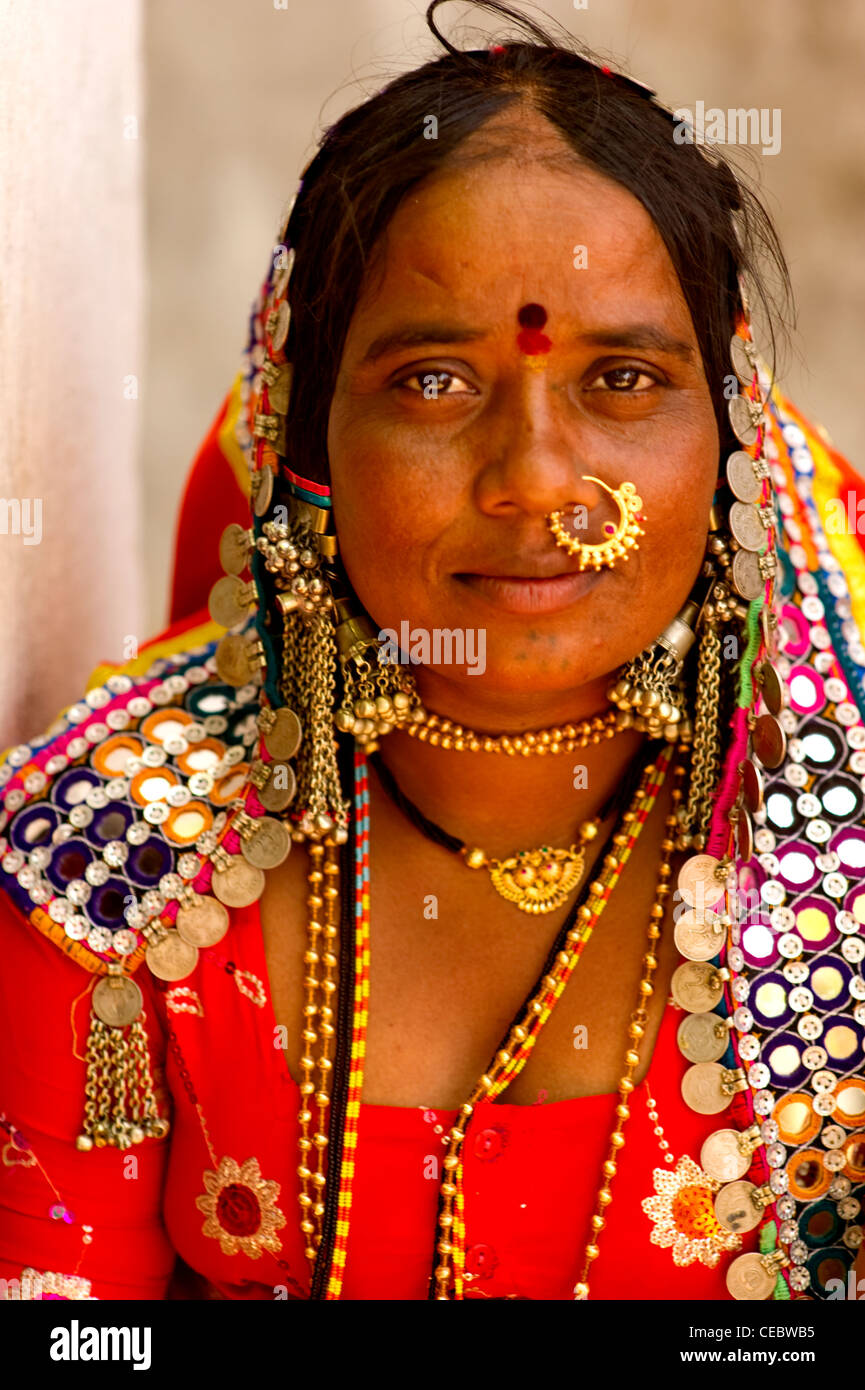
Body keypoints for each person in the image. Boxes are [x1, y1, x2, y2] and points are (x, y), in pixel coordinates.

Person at [1, 0, 863, 1303]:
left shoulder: (833, 869)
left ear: (731, 431)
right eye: (434, 382)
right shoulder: (108, 878)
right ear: (307, 438)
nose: (533, 480)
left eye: (620, 378)